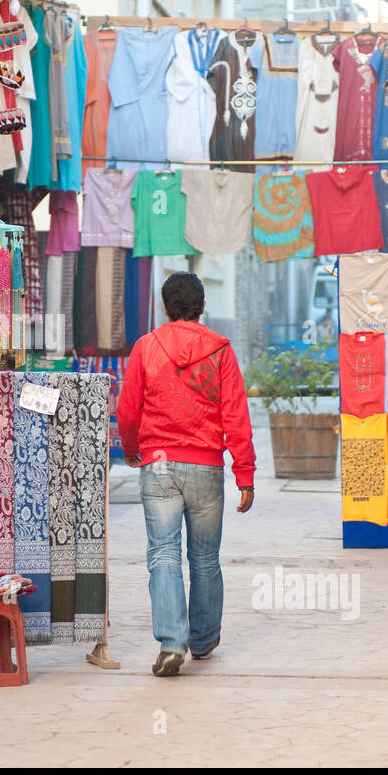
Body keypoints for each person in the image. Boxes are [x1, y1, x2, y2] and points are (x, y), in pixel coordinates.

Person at [117, 271, 256, 677]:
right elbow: (235, 413)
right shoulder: (220, 350)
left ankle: (172, 644)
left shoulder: (147, 347)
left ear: (163, 307)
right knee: (205, 557)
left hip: (158, 464)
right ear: (202, 307)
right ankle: (204, 638)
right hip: (207, 467)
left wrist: (131, 450)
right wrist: (244, 473)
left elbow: (127, 410)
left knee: (163, 554)